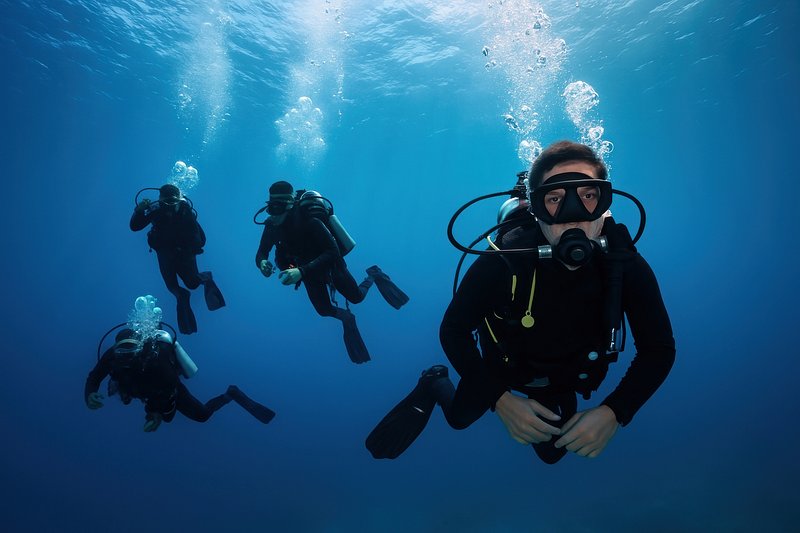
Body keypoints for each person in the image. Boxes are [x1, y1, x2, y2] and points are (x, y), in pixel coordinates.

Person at [366, 140, 675, 463]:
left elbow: (659, 348)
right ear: (536, 208)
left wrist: (615, 411)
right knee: (459, 419)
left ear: (604, 203)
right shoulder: (503, 261)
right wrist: (500, 400)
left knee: (553, 454)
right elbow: (454, 329)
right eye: (555, 199)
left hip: (563, 373)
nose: (572, 216)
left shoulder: (623, 264)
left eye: (587, 196)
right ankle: (433, 382)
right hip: (504, 368)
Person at [255, 180, 409, 364]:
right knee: (323, 310)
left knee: (357, 298)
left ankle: (374, 275)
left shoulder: (308, 220)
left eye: (277, 208)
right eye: (270, 208)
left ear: (289, 205)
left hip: (330, 267)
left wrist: (302, 272)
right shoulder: (272, 225)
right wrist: (262, 262)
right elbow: (261, 251)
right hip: (306, 272)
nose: (273, 214)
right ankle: (347, 317)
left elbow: (333, 252)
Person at [85, 328, 275, 431]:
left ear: (139, 350)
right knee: (162, 413)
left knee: (201, 416)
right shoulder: (111, 356)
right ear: (115, 349)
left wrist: (154, 414)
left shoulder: (155, 361)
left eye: (130, 351)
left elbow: (167, 390)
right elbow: (94, 376)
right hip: (144, 389)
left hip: (167, 389)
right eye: (121, 351)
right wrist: (90, 393)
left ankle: (230, 394)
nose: (125, 356)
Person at [130, 184, 225, 334]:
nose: (168, 205)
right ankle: (183, 296)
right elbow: (135, 226)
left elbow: (201, 240)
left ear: (178, 200)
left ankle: (205, 278)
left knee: (192, 284)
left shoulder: (185, 211)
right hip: (165, 254)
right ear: (160, 199)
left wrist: (187, 248)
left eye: (171, 201)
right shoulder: (156, 210)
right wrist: (139, 211)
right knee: (174, 289)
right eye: (165, 201)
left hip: (184, 254)